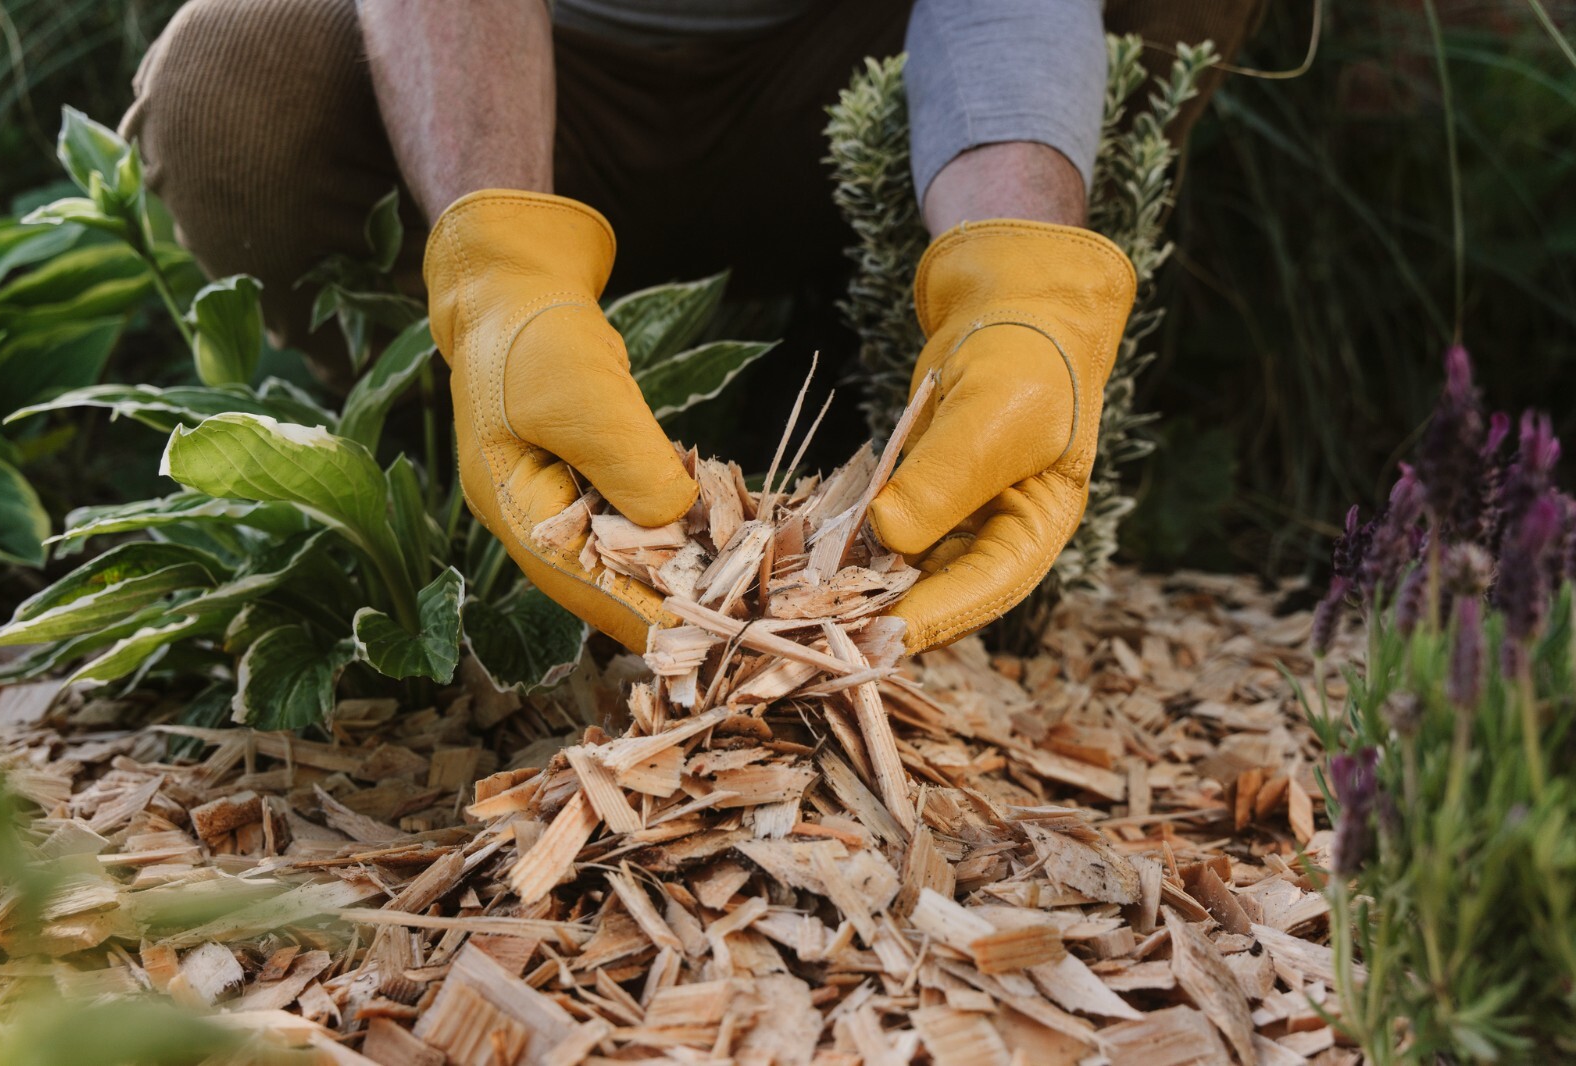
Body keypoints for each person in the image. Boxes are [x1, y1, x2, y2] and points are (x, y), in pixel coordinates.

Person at [121, 0, 1262, 655]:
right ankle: (459, 458)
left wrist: (1021, 274)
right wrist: (499, 265)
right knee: (236, 81)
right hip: (544, 66)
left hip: (849, 56)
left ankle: (871, 391)